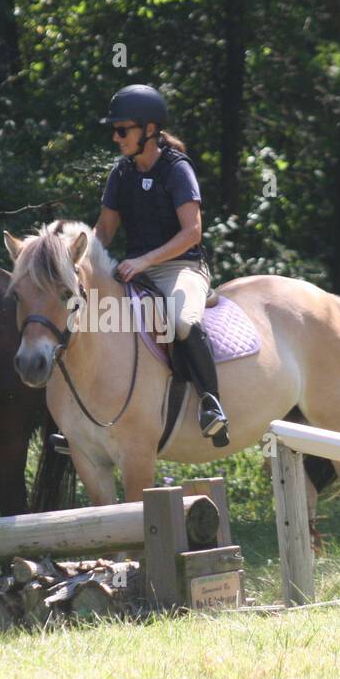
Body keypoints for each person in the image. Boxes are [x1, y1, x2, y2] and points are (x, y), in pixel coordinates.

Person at [93, 84, 228, 446]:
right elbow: (104, 230)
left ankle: (212, 404)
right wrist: (78, 261)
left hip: (179, 267)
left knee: (182, 321)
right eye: (115, 130)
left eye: (123, 130)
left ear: (149, 130)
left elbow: (192, 232)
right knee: (90, 318)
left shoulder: (176, 170)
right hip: (135, 271)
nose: (116, 137)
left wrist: (144, 261)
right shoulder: (121, 174)